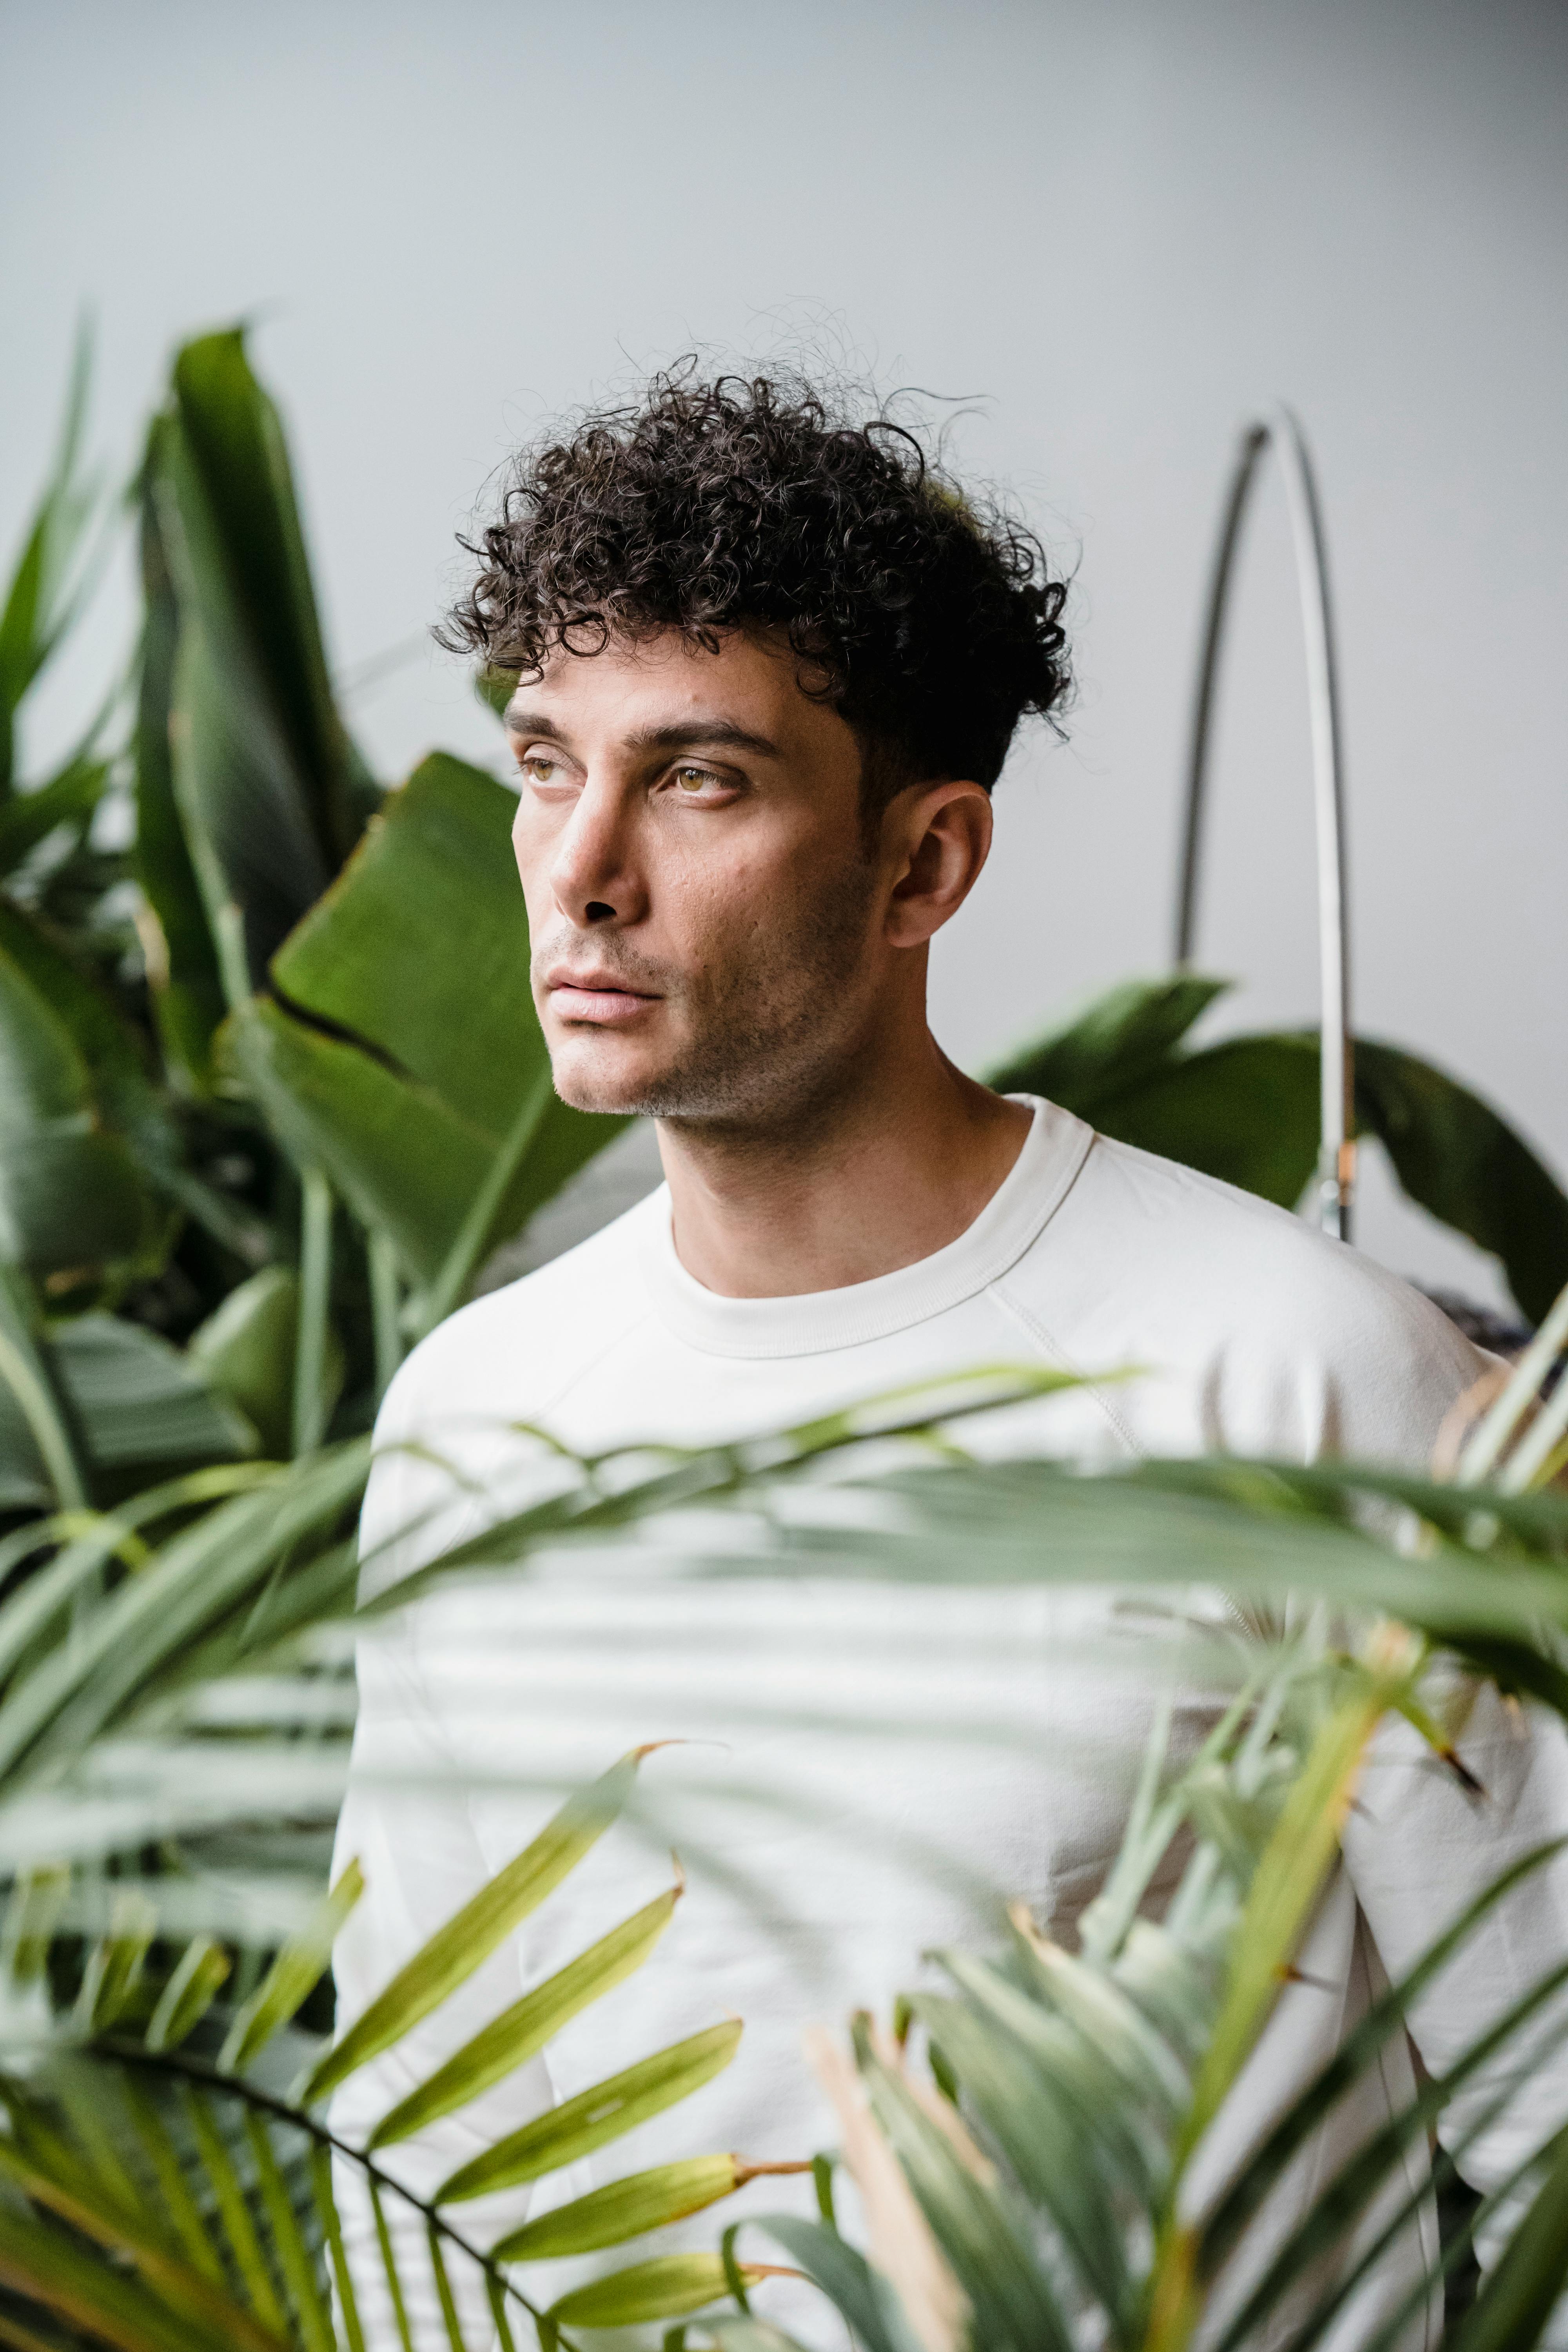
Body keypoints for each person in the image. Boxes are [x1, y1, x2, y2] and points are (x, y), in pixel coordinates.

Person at [330, 372, 1568, 2348]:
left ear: (922, 868)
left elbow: (1551, 2112)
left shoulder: (1301, 1377)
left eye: (701, 779)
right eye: (546, 763)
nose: (582, 868)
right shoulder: (478, 1415)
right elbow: (413, 2149)